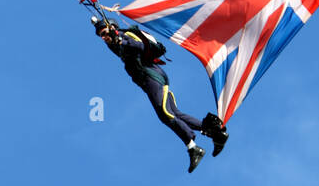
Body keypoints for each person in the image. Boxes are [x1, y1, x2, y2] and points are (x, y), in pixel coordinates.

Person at [94, 17, 228, 171]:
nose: (103, 38)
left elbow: (140, 46)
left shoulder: (125, 37)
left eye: (104, 33)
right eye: (100, 36)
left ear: (111, 28)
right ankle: (215, 133)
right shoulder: (115, 43)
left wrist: (121, 40)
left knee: (164, 113)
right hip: (152, 78)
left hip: (151, 77)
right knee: (175, 114)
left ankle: (192, 147)